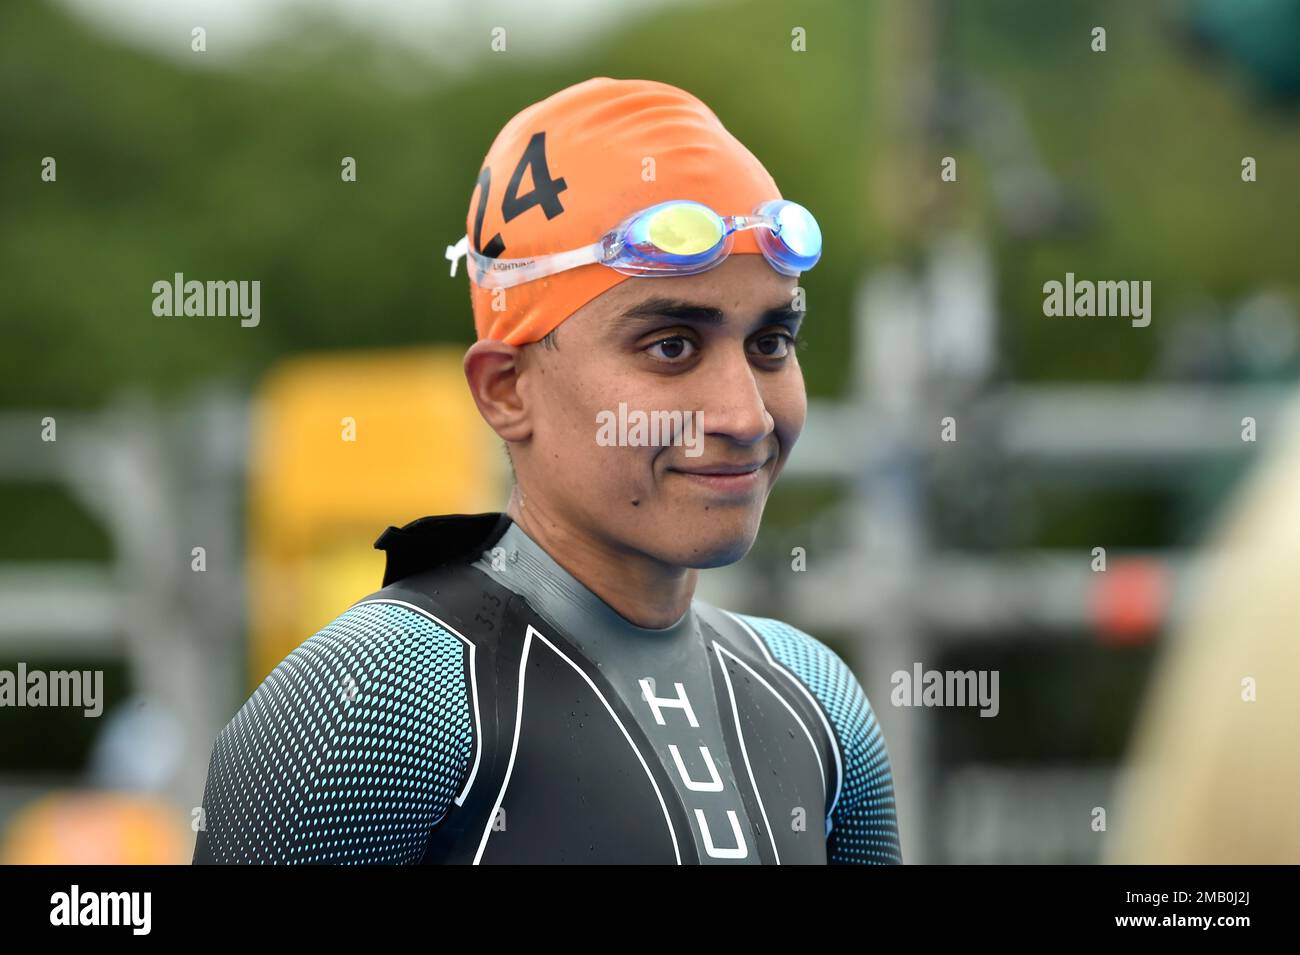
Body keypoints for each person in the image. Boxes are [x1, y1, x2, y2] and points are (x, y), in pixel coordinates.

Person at [192, 76, 902, 865]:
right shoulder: (380, 702)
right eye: (671, 346)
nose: (745, 416)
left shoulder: (817, 701)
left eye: (771, 343)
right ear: (506, 390)